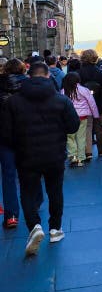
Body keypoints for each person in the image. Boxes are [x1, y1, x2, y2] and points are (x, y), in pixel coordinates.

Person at [1, 62, 79, 255]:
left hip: (26, 156)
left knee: (28, 192)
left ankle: (34, 226)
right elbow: (73, 126)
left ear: (29, 76)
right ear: (47, 76)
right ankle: (55, 228)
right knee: (55, 191)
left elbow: (6, 134)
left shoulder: (13, 102)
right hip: (54, 154)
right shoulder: (61, 100)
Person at [0, 58, 26, 229]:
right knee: (30, 172)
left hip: (4, 136)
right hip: (27, 136)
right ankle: (34, 202)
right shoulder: (29, 86)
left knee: (8, 176)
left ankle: (11, 215)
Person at [61, 73, 99, 168]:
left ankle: (73, 156)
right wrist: (96, 115)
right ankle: (81, 159)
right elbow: (92, 103)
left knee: (70, 138)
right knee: (81, 138)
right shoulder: (84, 90)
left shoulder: (63, 91)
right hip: (82, 117)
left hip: (68, 118)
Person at [78, 49, 102, 161]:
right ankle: (101, 150)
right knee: (99, 127)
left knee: (87, 127)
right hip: (99, 103)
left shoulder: (79, 73)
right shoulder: (101, 73)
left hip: (84, 105)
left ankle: (88, 152)